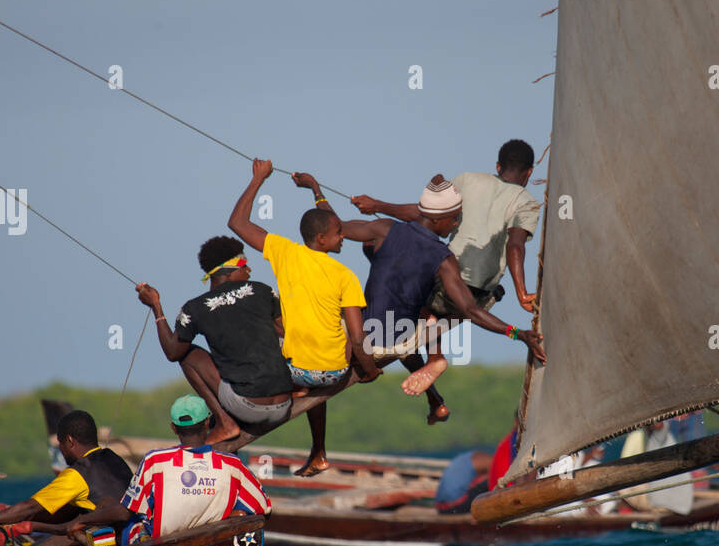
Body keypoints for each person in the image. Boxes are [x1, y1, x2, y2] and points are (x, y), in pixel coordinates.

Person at [351, 140, 541, 421]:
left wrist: (377, 205)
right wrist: (522, 294)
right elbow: (516, 246)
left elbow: (424, 212)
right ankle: (436, 401)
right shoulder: (527, 203)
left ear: (498, 167)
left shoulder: (468, 180)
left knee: (409, 309)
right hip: (477, 291)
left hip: (442, 283)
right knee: (411, 327)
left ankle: (436, 360)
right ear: (529, 172)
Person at [227, 158, 381, 476]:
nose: (343, 237)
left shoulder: (286, 253)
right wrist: (370, 370)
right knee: (335, 330)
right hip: (333, 373)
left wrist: (258, 178)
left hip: (295, 373)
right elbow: (357, 337)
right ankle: (318, 452)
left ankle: (294, 419)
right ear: (322, 240)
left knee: (268, 325)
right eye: (339, 234)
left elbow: (238, 223)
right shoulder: (345, 275)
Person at [135, 234, 294, 446]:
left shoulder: (194, 308)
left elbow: (172, 352)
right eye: (244, 265)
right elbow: (286, 332)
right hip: (285, 404)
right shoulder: (263, 290)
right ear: (227, 272)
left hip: (248, 408)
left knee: (187, 355)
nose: (249, 270)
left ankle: (225, 423)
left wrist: (156, 306)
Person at [59, 396, 271, 543]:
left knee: (120, 516)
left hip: (159, 543)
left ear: (173, 428)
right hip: (208, 542)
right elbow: (263, 507)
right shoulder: (233, 465)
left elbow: (125, 512)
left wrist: (81, 520)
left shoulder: (155, 461)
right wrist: (229, 513)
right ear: (208, 423)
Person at [0, 411, 133, 546]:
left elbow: (29, 508)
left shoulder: (76, 475)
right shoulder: (113, 458)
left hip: (114, 544)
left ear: (69, 441)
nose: (61, 450)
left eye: (61, 444)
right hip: (131, 533)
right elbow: (65, 513)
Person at [434, 450, 493, 515]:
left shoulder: (471, 457)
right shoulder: (487, 461)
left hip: (440, 506)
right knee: (489, 479)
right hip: (453, 506)